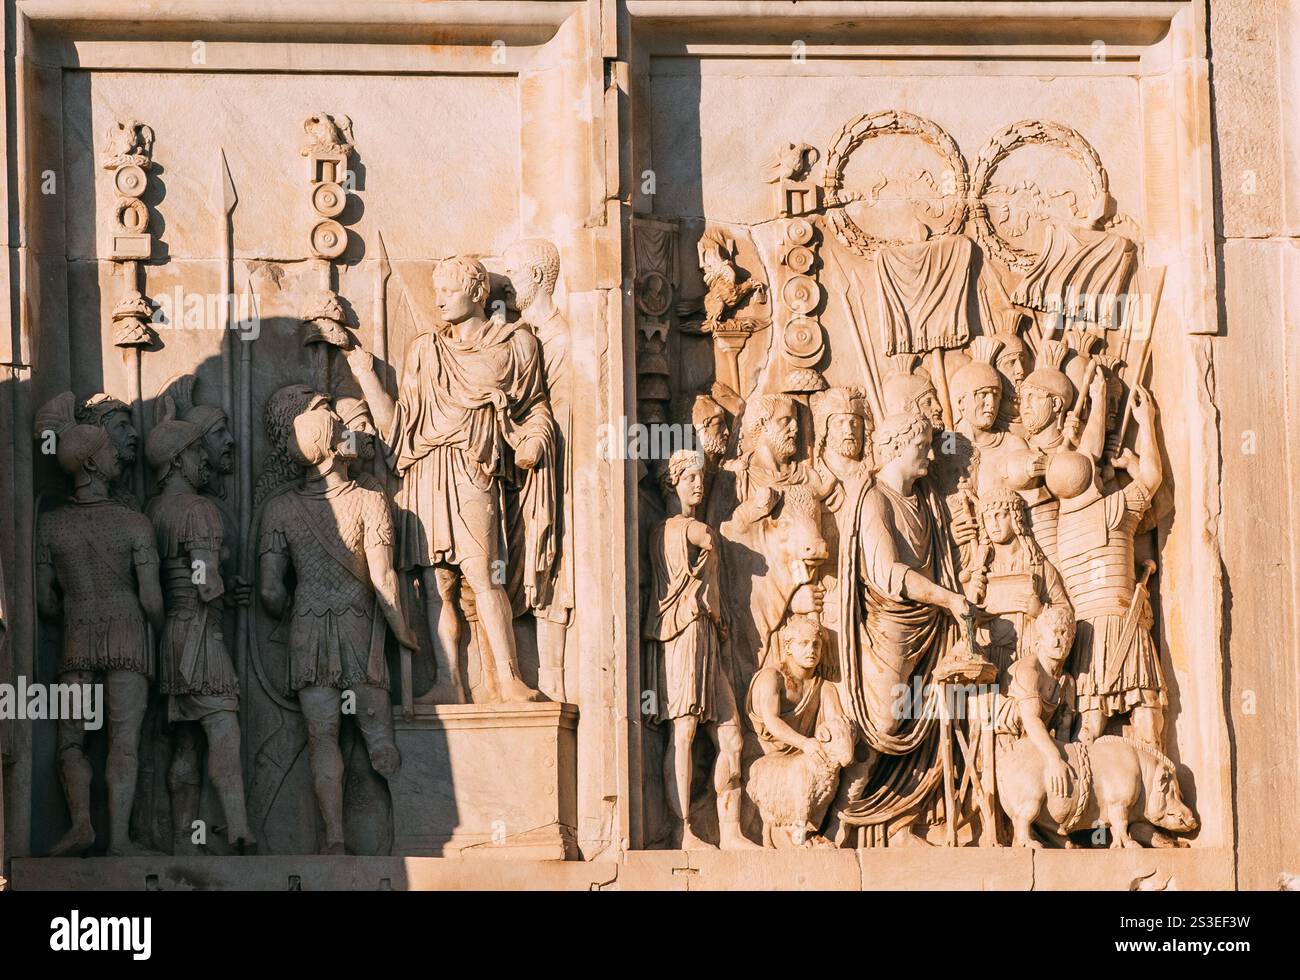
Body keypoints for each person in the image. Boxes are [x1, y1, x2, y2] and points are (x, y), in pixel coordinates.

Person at [347, 256, 555, 704]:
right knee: (436, 580)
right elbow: (399, 429)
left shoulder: (516, 344)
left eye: (449, 290)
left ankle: (509, 677)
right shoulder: (425, 350)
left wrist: (531, 441)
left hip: (473, 465)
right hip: (427, 469)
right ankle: (448, 680)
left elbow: (536, 407)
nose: (438, 299)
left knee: (483, 573)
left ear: (478, 293)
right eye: (436, 290)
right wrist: (365, 375)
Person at [258, 407, 419, 854]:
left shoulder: (279, 509)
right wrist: (404, 632)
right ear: (330, 451)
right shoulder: (370, 501)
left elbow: (271, 592)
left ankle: (333, 839)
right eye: (342, 431)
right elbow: (385, 582)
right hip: (358, 628)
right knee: (380, 741)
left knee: (322, 737)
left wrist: (292, 601)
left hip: (306, 630)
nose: (352, 435)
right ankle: (411, 841)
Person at [35, 393, 163, 855]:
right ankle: (121, 842)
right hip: (128, 635)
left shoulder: (50, 527)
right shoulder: (134, 524)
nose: (115, 456)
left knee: (72, 743)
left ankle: (81, 823)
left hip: (76, 637)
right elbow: (151, 598)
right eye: (107, 452)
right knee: (124, 743)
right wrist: (161, 635)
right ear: (90, 463)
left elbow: (46, 603)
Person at [144, 414, 254, 853]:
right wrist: (226, 574)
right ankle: (240, 826)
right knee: (224, 732)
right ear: (175, 461)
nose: (201, 459)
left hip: (170, 635)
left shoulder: (151, 510)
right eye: (193, 452)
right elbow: (205, 581)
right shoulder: (199, 510)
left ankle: (182, 840)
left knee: (186, 743)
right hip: (201, 636)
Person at [643, 449, 754, 850]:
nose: (698, 484)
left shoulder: (688, 528)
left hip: (706, 634)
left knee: (733, 736)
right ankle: (682, 828)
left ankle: (730, 829)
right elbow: (702, 536)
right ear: (672, 483)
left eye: (701, 478)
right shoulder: (674, 529)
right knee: (684, 732)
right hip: (683, 634)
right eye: (690, 477)